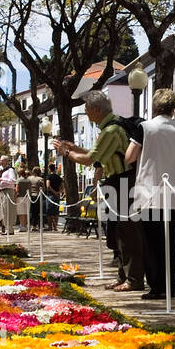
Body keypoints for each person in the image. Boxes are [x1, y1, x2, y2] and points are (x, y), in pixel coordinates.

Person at [55, 89, 145, 291]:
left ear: (96, 110)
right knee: (118, 232)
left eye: (87, 110)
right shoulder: (112, 128)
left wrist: (66, 152)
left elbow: (90, 160)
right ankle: (124, 277)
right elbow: (97, 154)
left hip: (124, 182)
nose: (86, 113)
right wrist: (74, 148)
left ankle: (135, 279)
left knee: (129, 232)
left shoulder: (111, 131)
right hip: (119, 181)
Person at [128, 88, 175, 301]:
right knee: (171, 243)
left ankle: (156, 287)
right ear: (173, 108)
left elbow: (129, 156)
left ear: (155, 106)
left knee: (152, 243)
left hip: (150, 193)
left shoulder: (144, 128)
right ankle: (172, 287)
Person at [0, 157, 18, 235]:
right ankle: (6, 228)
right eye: (0, 160)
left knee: (8, 210)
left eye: (3, 160)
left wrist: (1, 179)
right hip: (1, 191)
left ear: (7, 161)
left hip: (8, 191)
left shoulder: (10, 170)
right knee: (3, 211)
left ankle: (9, 229)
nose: (1, 162)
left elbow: (13, 180)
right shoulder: (0, 170)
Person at [24, 166, 45, 233]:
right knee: (37, 212)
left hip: (30, 196)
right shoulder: (40, 179)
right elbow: (43, 188)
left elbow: (27, 187)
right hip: (38, 196)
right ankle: (36, 225)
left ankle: (30, 225)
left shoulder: (29, 178)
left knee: (31, 211)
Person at [44, 163, 63, 230]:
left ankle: (50, 226)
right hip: (57, 196)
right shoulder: (58, 177)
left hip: (50, 195)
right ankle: (55, 226)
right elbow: (62, 187)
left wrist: (54, 192)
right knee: (56, 212)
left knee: (49, 212)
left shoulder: (49, 177)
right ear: (55, 169)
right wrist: (58, 192)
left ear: (49, 169)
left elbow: (48, 186)